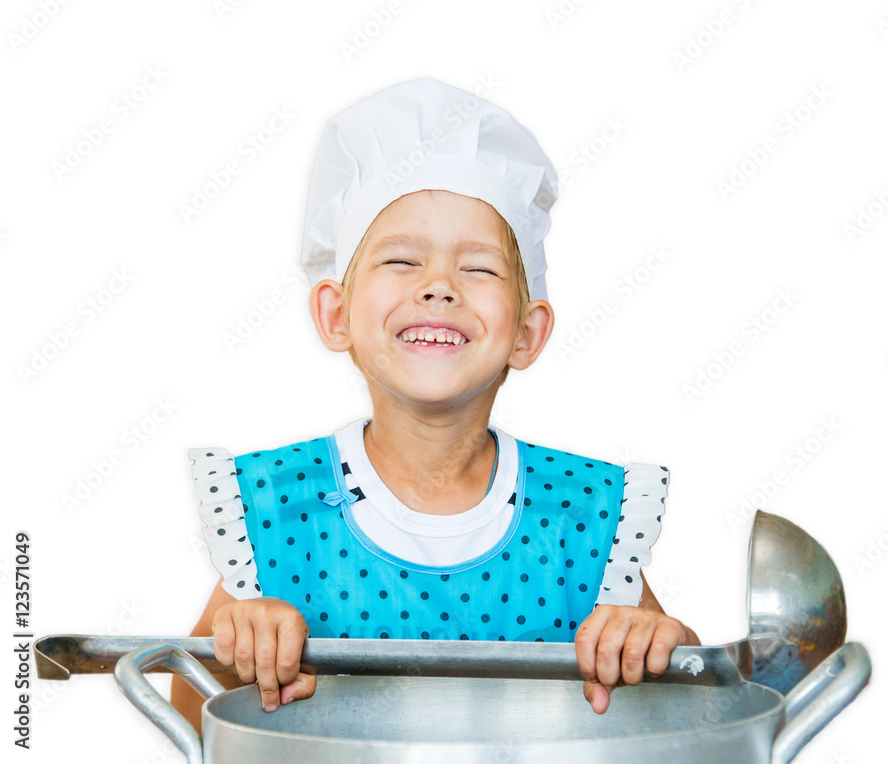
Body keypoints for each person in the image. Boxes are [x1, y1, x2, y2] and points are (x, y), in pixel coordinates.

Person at [170, 77, 699, 733]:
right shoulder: (278, 512)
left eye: (477, 269)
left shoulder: (585, 522)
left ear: (526, 333)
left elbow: (694, 715)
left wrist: (653, 646)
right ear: (336, 315)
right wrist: (233, 656)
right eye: (400, 260)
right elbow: (191, 729)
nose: (439, 287)